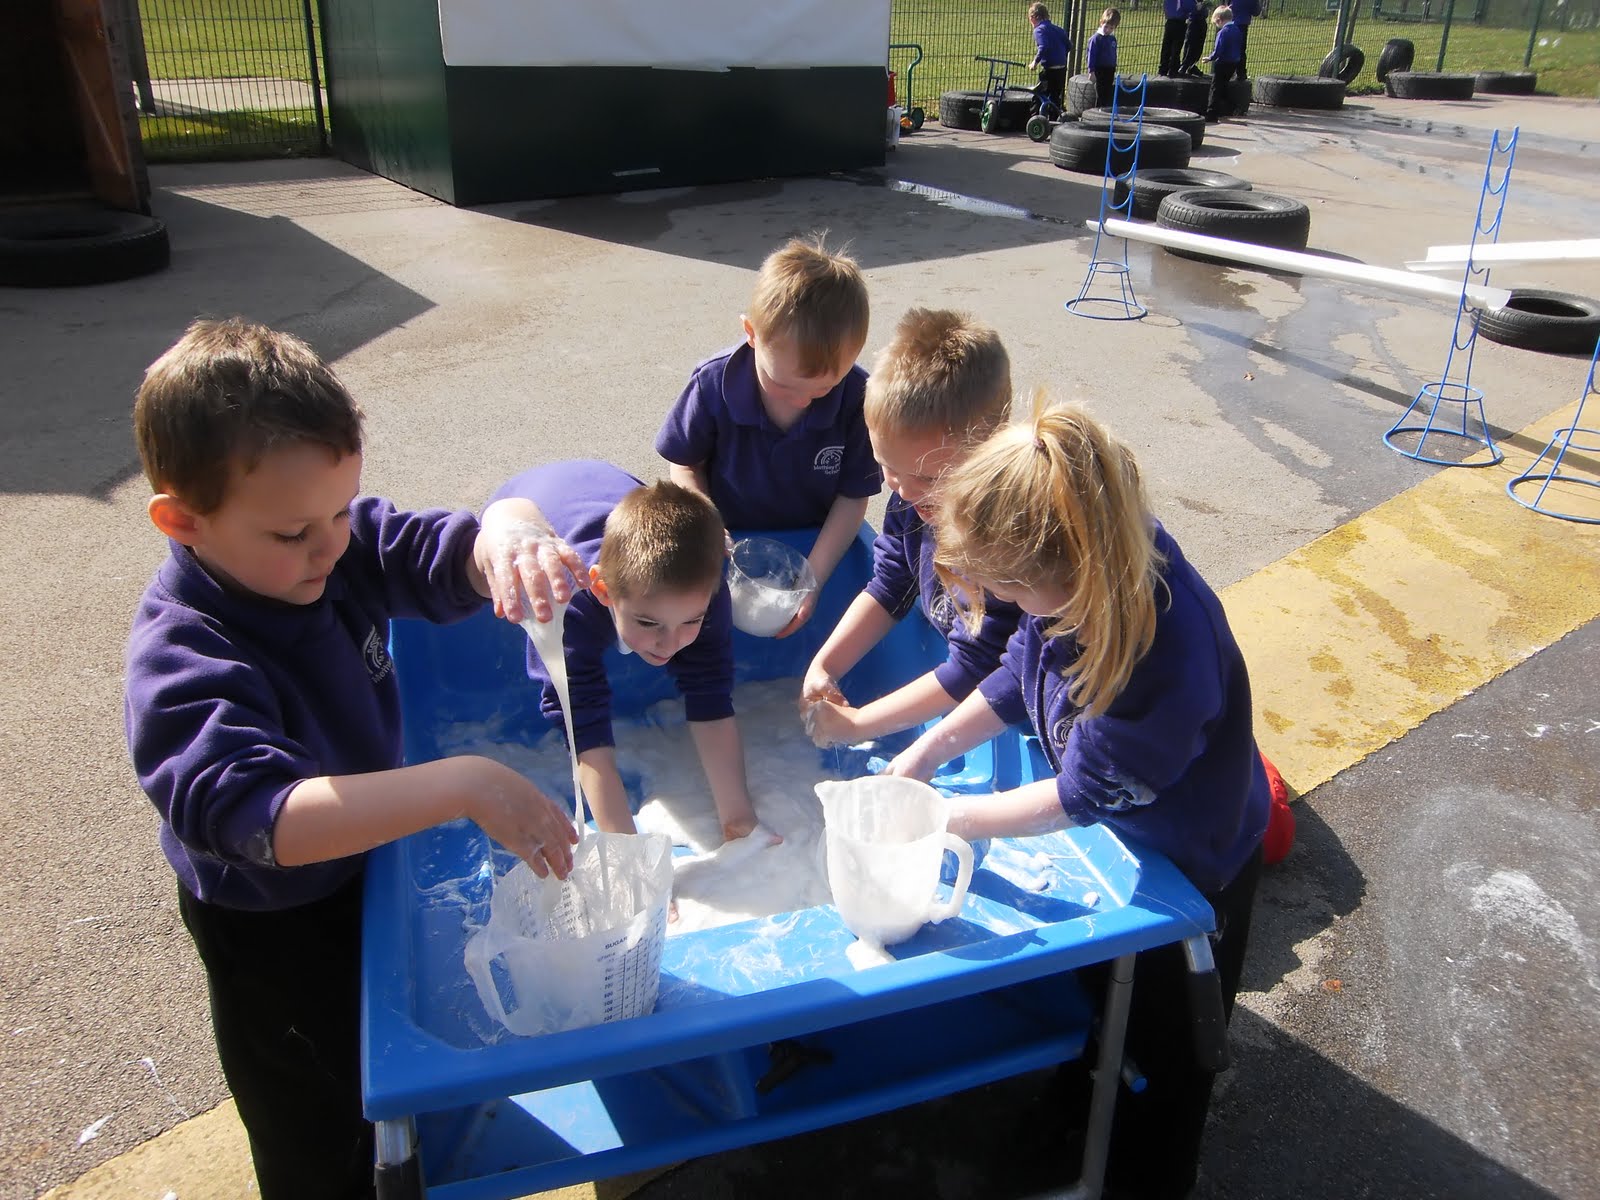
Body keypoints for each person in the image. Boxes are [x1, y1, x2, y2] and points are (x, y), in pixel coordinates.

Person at [125, 318, 581, 1200]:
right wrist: (461, 782)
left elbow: (432, 551)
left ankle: (403, 1144)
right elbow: (258, 820)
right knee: (314, 1110)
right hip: (274, 925)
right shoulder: (185, 655)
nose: (329, 546)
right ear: (182, 521)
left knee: (385, 1046)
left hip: (366, 868)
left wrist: (510, 527)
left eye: (340, 510)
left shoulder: (333, 548)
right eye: (295, 532)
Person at [886, 403, 1269, 1199]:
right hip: (1132, 837)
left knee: (1166, 1057)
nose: (1007, 606)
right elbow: (1017, 674)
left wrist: (938, 820)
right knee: (1104, 1008)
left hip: (1195, 867)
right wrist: (923, 755)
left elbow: (1079, 796)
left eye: (1009, 591)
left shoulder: (1166, 652)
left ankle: (1145, 1175)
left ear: (1067, 573)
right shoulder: (1077, 563)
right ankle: (1083, 1104)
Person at [489, 460, 766, 846]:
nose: (670, 645)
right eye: (649, 623)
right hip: (524, 501)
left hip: (606, 482)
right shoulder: (568, 606)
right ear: (603, 591)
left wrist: (740, 821)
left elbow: (711, 693)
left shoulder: (706, 590)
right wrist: (630, 860)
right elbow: (582, 727)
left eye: (691, 622)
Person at [800, 309, 1020, 750]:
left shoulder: (1006, 540)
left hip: (1024, 710)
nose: (900, 489)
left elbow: (977, 666)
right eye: (887, 467)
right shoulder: (910, 499)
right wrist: (824, 665)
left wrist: (860, 725)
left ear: (992, 448)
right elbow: (889, 586)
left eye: (928, 478)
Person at [656, 233, 879, 639]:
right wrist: (707, 521)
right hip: (731, 539)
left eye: (824, 388)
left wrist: (812, 578)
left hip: (816, 539)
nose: (802, 401)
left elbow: (853, 495)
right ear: (752, 333)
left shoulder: (856, 396)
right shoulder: (713, 384)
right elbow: (685, 462)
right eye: (784, 384)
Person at [1027, 2, 1071, 117]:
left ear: (1034, 17)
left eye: (1030, 18)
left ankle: (1035, 119)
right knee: (1056, 96)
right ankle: (1055, 120)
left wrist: (1035, 62)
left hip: (1050, 68)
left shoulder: (1039, 30)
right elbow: (1069, 45)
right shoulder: (1058, 29)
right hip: (1061, 68)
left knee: (1039, 94)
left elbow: (1043, 46)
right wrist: (1060, 55)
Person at [1205, 4, 1245, 121]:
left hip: (1223, 63)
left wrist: (1210, 58)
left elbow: (1218, 50)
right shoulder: (1237, 30)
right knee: (1224, 86)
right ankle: (1230, 108)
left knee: (1215, 88)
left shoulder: (1223, 32)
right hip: (1233, 62)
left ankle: (1211, 113)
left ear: (1219, 20)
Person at [1087, 8, 1122, 111]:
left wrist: (1114, 65)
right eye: (1106, 26)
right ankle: (1098, 112)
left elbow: (1113, 53)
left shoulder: (1112, 38)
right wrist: (1091, 71)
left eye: (1111, 28)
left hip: (1110, 69)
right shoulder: (1096, 39)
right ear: (1101, 23)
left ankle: (1106, 111)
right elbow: (1091, 55)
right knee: (1100, 93)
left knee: (1108, 93)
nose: (1108, 30)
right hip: (1099, 69)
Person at [1160, 0, 1198, 76]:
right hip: (1180, 22)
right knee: (1176, 47)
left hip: (1169, 22)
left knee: (1166, 45)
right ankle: (1173, 69)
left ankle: (1163, 68)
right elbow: (1191, 7)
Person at [1180, 0, 1212, 76]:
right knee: (1190, 45)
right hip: (1193, 23)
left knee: (1199, 47)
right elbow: (1188, 11)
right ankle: (1185, 66)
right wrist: (1197, 9)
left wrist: (1202, 8)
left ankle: (1191, 66)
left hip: (1201, 23)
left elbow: (1205, 14)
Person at [1232, 0, 1260, 77]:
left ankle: (1228, 71)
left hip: (1228, 21)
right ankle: (1240, 73)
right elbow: (1256, 12)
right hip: (1242, 23)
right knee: (1241, 50)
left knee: (1227, 47)